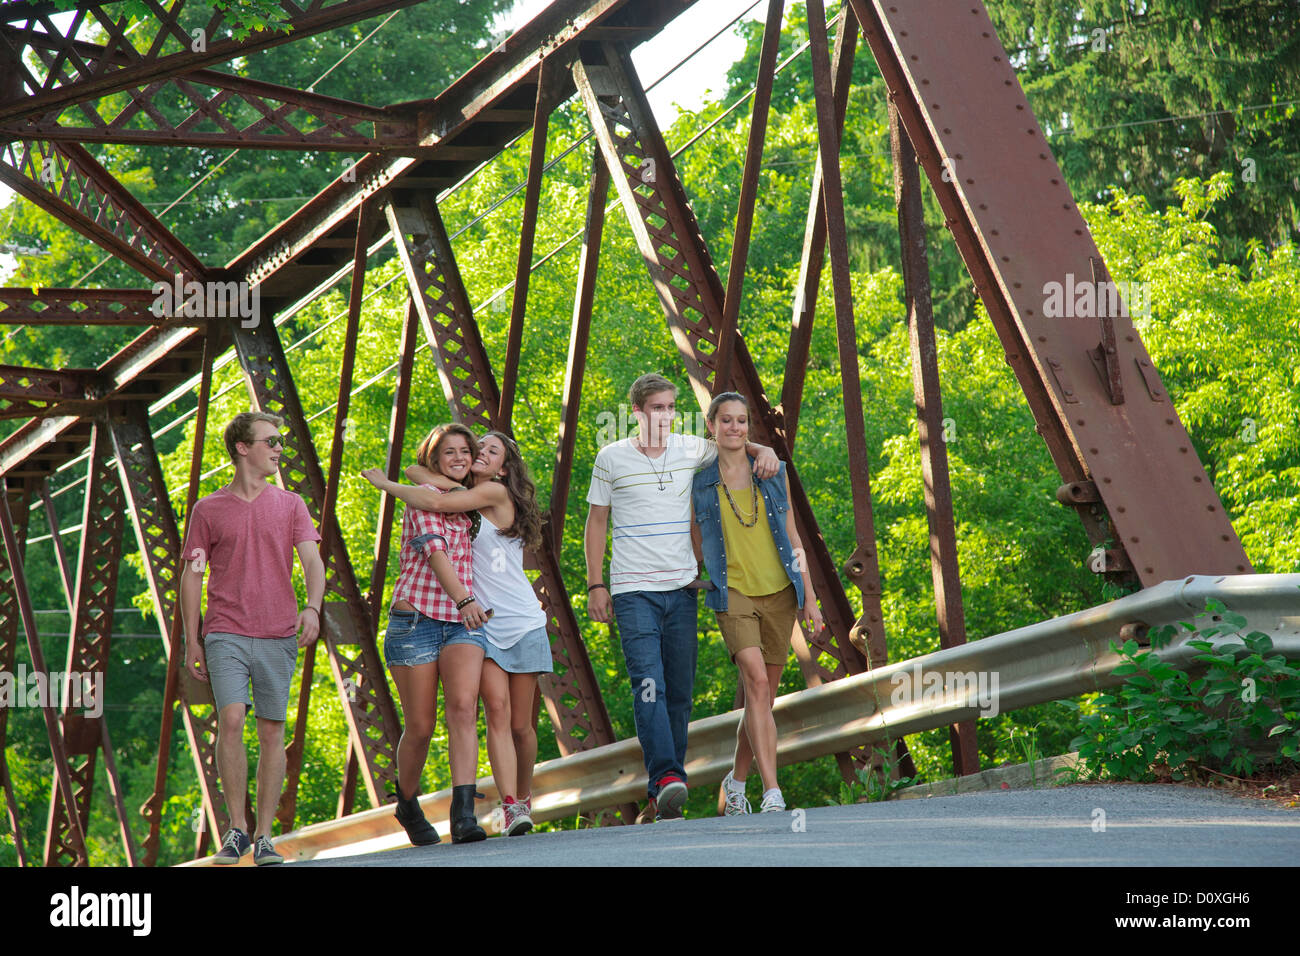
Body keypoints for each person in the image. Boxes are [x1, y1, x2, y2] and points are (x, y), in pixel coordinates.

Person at [585, 372, 779, 822]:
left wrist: (763, 448)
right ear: (636, 412)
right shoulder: (611, 457)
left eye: (672, 407)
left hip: (682, 589)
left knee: (679, 695)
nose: (667, 416)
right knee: (648, 685)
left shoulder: (691, 448)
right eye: (657, 408)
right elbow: (596, 523)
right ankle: (669, 778)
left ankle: (661, 795)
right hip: (634, 591)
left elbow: (733, 443)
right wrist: (596, 585)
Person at [364, 431, 551, 837]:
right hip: (459, 619)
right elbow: (430, 499)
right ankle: (433, 803)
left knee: (511, 722)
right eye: (468, 450)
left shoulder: (491, 494)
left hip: (505, 620)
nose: (475, 455)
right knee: (446, 722)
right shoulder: (442, 496)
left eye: (483, 451)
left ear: (503, 468)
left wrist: (387, 483)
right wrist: (420, 472)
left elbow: (437, 496)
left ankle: (496, 805)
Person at [181, 411, 324, 866]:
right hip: (225, 630)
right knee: (232, 719)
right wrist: (192, 639)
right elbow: (192, 574)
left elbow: (312, 561)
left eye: (280, 442)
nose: (280, 449)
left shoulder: (291, 505)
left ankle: (264, 835)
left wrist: (313, 606)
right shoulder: (208, 509)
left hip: (279, 632)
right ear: (243, 448)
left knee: (271, 729)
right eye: (271, 441)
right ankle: (236, 829)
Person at [691, 392, 822, 815]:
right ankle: (772, 792)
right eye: (725, 421)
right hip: (732, 592)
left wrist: (811, 597)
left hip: (780, 592)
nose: (735, 428)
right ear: (711, 425)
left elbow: (795, 538)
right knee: (757, 684)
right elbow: (692, 530)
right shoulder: (697, 477)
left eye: (742, 421)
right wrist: (695, 571)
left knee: (759, 698)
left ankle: (737, 780)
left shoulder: (772, 471)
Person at [362, 423, 488, 845]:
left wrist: (466, 608)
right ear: (434, 460)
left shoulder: (467, 500)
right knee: (420, 726)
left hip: (461, 625)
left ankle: (464, 816)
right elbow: (435, 554)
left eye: (464, 452)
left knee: (464, 710)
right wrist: (465, 600)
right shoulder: (421, 504)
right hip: (416, 621)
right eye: (448, 452)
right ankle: (408, 802)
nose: (458, 458)